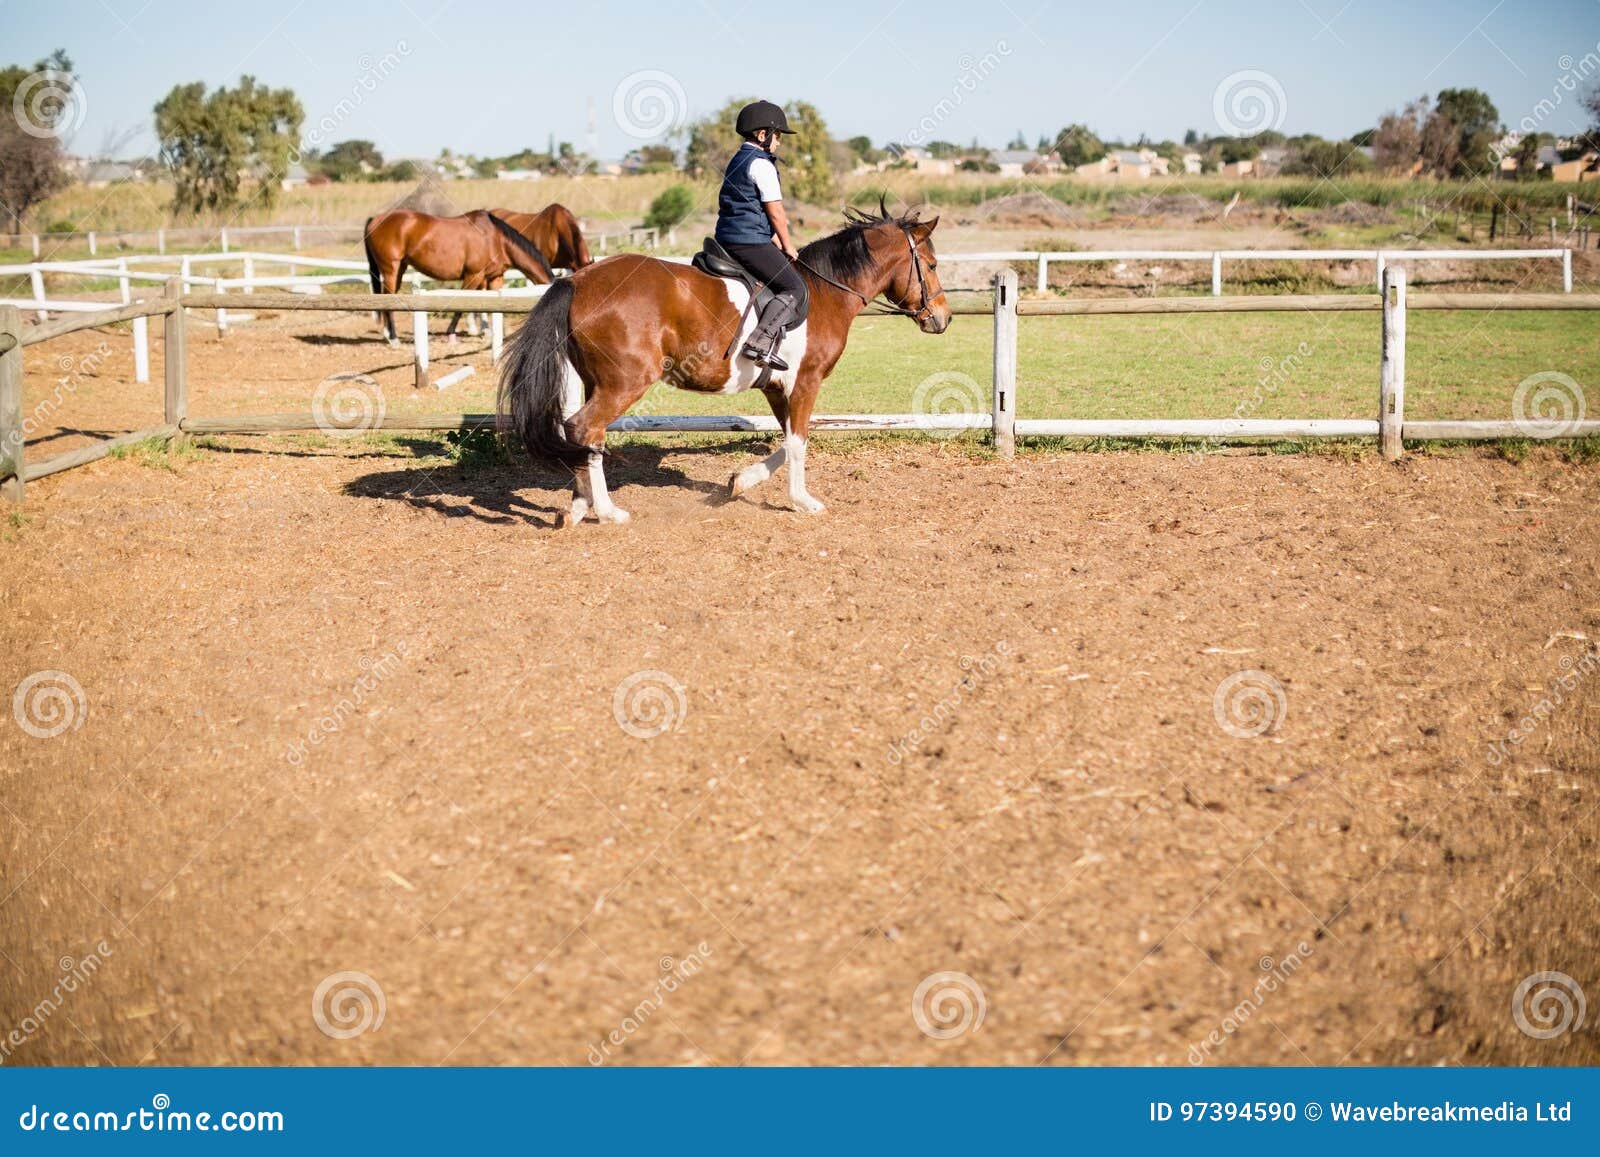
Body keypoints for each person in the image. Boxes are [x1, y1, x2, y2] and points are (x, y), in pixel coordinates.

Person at [714, 100, 808, 371]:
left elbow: (748, 206)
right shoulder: (761, 164)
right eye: (777, 135)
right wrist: (788, 245)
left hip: (728, 236)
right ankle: (760, 341)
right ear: (762, 134)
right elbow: (776, 212)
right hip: (748, 241)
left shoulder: (738, 159)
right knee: (794, 287)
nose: (779, 142)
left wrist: (775, 241)